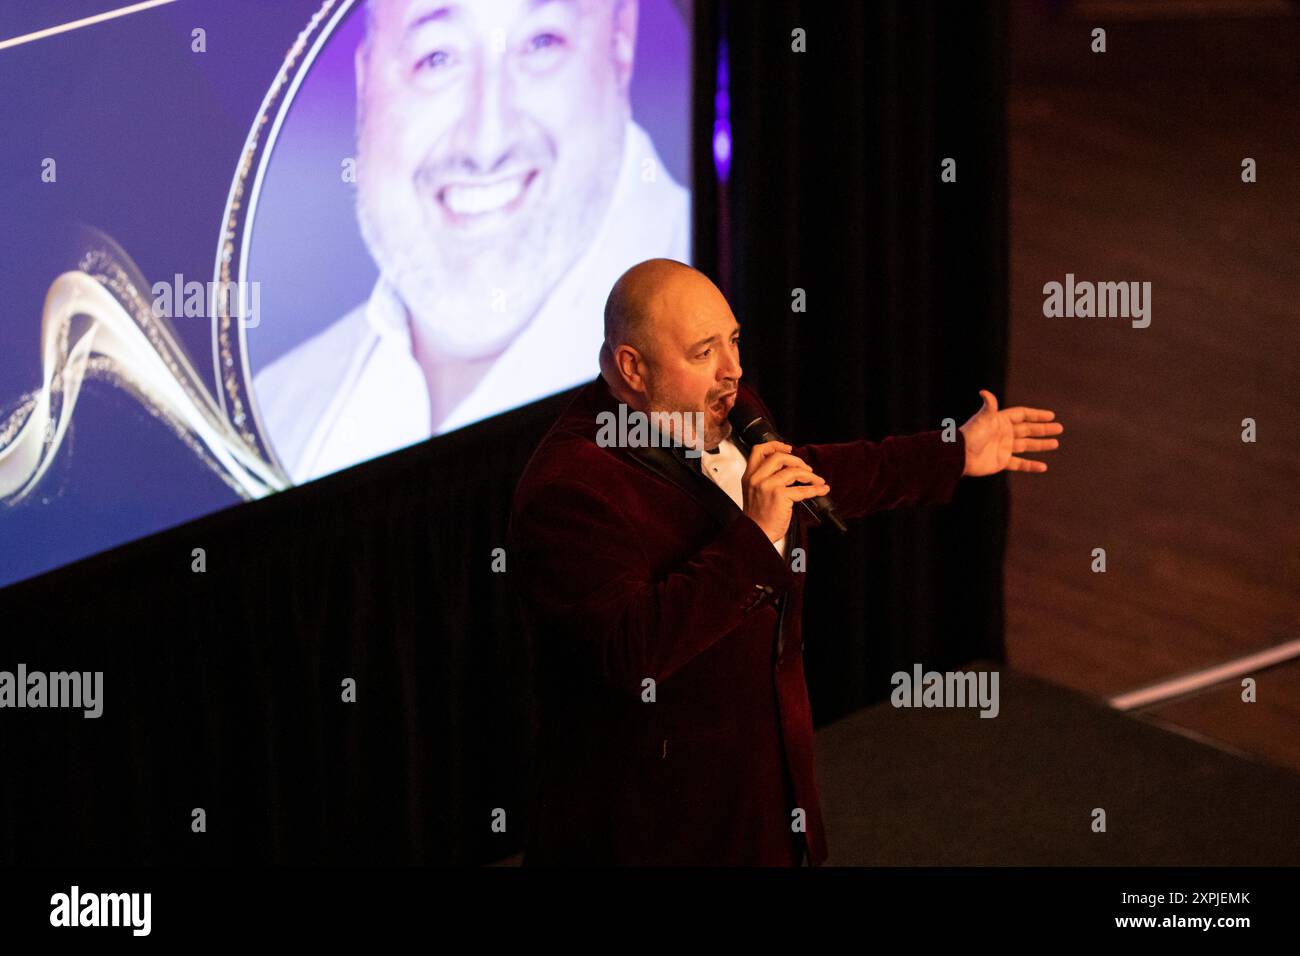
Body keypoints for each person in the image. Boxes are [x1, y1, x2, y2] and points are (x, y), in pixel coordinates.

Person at [508, 258, 1064, 865]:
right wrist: (756, 533)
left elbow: (809, 476)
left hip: (764, 796)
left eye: (734, 340)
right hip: (652, 827)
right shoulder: (570, 488)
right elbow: (631, 650)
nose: (733, 369)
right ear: (632, 368)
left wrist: (951, 453)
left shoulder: (722, 404)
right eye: (703, 352)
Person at [253, 0, 689, 483]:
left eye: (541, 43)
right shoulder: (274, 418)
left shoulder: (734, 314)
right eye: (437, 58)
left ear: (620, 40)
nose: (487, 143)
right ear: (365, 82)